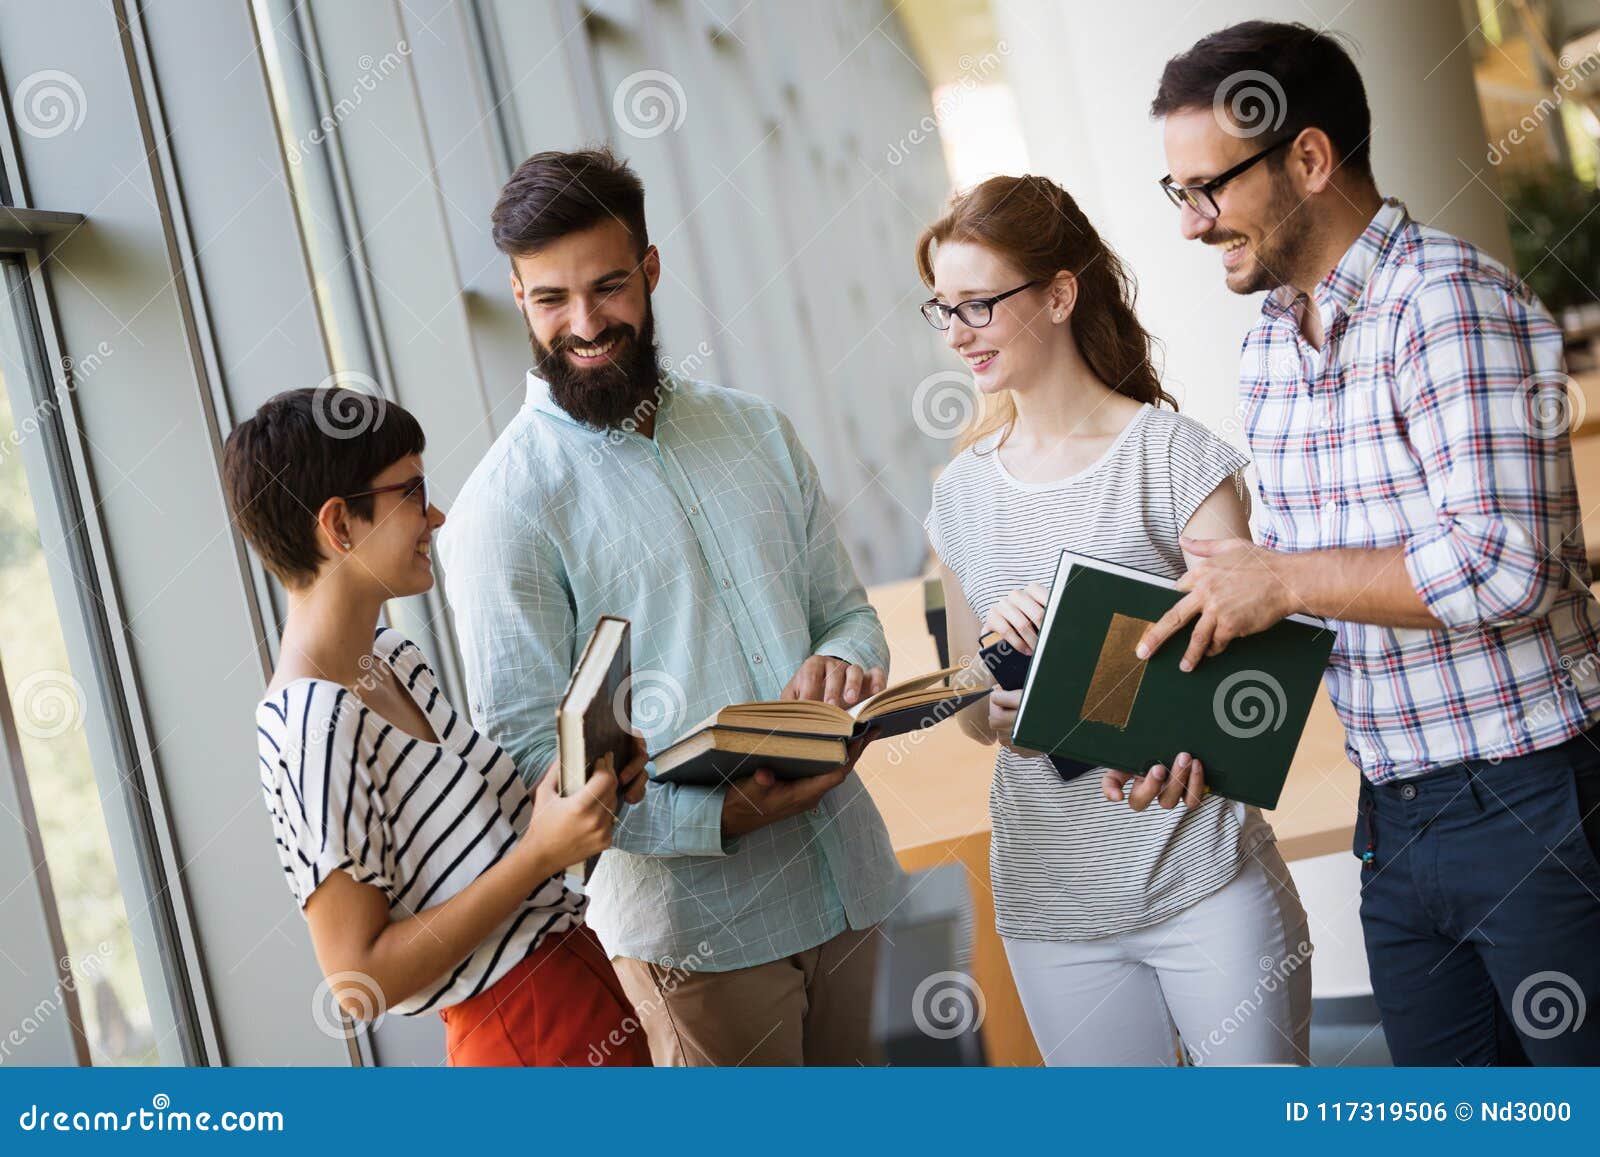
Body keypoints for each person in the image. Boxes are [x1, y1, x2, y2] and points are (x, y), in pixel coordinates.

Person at [1145, 20, 1600, 1065]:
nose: (1189, 223)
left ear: (1307, 159)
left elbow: (1503, 564)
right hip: (1394, 815)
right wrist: (1184, 726)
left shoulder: (1446, 304)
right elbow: (1307, 592)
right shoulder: (1270, 340)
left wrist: (1278, 578)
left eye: (1206, 187)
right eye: (1178, 193)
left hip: (1529, 802)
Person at [437, 147, 903, 1067]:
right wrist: (712, 819)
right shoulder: (505, 506)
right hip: (701, 938)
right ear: (519, 297)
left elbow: (845, 613)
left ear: (650, 270)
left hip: (852, 880)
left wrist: (845, 658)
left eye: (608, 287)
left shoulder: (757, 427)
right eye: (550, 300)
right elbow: (532, 757)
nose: (584, 324)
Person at [918, 173, 1311, 1065]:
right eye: (941, 309)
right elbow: (975, 713)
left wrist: (1163, 720)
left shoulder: (1177, 459)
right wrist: (998, 676)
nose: (956, 334)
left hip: (1202, 877)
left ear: (1059, 293)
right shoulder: (958, 497)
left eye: (977, 305)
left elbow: (1252, 690)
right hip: (1052, 905)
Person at [227, 387, 651, 1067]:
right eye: (413, 493)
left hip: (578, 993)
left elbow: (489, 857)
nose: (438, 515)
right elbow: (359, 982)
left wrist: (582, 777)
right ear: (339, 526)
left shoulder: (394, 659)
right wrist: (539, 854)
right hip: (523, 1040)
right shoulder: (312, 724)